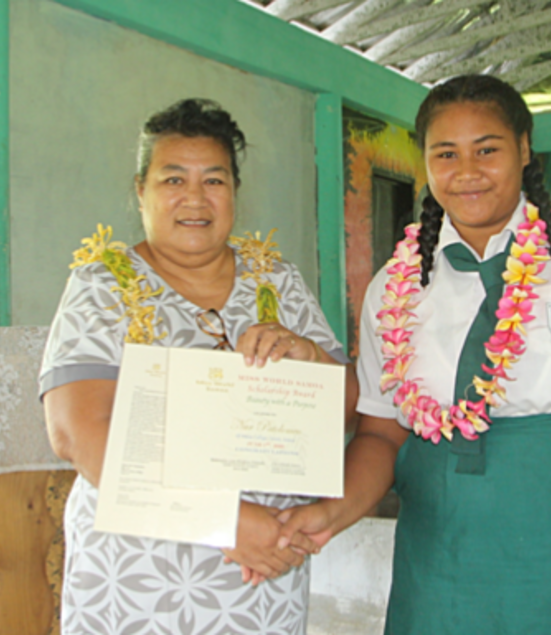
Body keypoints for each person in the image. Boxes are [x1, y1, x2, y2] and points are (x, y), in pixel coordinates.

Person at [278, 75, 551, 634]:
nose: (466, 171)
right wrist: (333, 512)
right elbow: (380, 434)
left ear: (523, 149)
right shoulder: (396, 288)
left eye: (487, 149)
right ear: (426, 162)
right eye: (446, 153)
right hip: (439, 557)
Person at [40, 98, 354, 634]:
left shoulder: (276, 280)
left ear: (234, 192)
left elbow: (345, 405)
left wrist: (311, 357)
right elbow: (78, 433)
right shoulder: (103, 285)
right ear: (140, 190)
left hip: (262, 573)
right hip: (140, 573)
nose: (195, 198)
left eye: (214, 180)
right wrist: (226, 522)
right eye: (172, 180)